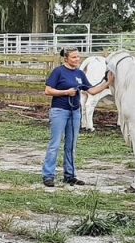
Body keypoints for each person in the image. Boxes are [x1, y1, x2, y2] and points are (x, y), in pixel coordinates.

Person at [41, 47, 112, 187]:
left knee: (71, 145)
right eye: (74, 57)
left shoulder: (80, 73)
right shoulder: (58, 72)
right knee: (55, 144)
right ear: (66, 58)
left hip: (75, 112)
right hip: (60, 111)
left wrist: (108, 82)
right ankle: (48, 175)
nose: (77, 59)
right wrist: (66, 92)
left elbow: (91, 90)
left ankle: (70, 175)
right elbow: (48, 91)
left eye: (78, 57)